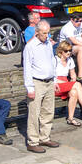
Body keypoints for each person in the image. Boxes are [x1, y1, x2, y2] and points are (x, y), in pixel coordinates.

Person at [22, 20, 61, 154]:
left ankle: (45, 137)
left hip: (49, 81)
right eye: (44, 33)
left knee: (48, 112)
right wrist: (30, 88)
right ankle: (32, 141)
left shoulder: (48, 44)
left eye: (48, 32)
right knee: (34, 113)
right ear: (37, 32)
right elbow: (27, 68)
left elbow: (52, 61)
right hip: (37, 82)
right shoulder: (30, 47)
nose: (47, 35)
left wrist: (55, 79)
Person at [54, 41, 82, 125]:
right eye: (66, 51)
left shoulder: (70, 60)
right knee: (77, 84)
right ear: (60, 51)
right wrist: (71, 84)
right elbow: (51, 78)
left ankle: (70, 118)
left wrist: (71, 84)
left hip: (66, 85)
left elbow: (73, 75)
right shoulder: (54, 60)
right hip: (55, 85)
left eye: (70, 50)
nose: (69, 52)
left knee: (74, 92)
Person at [57, 14, 82, 80]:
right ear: (71, 20)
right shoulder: (67, 28)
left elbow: (81, 35)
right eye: (77, 21)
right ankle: (81, 73)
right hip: (67, 48)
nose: (79, 23)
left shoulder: (80, 24)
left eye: (80, 21)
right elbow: (74, 41)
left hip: (78, 45)